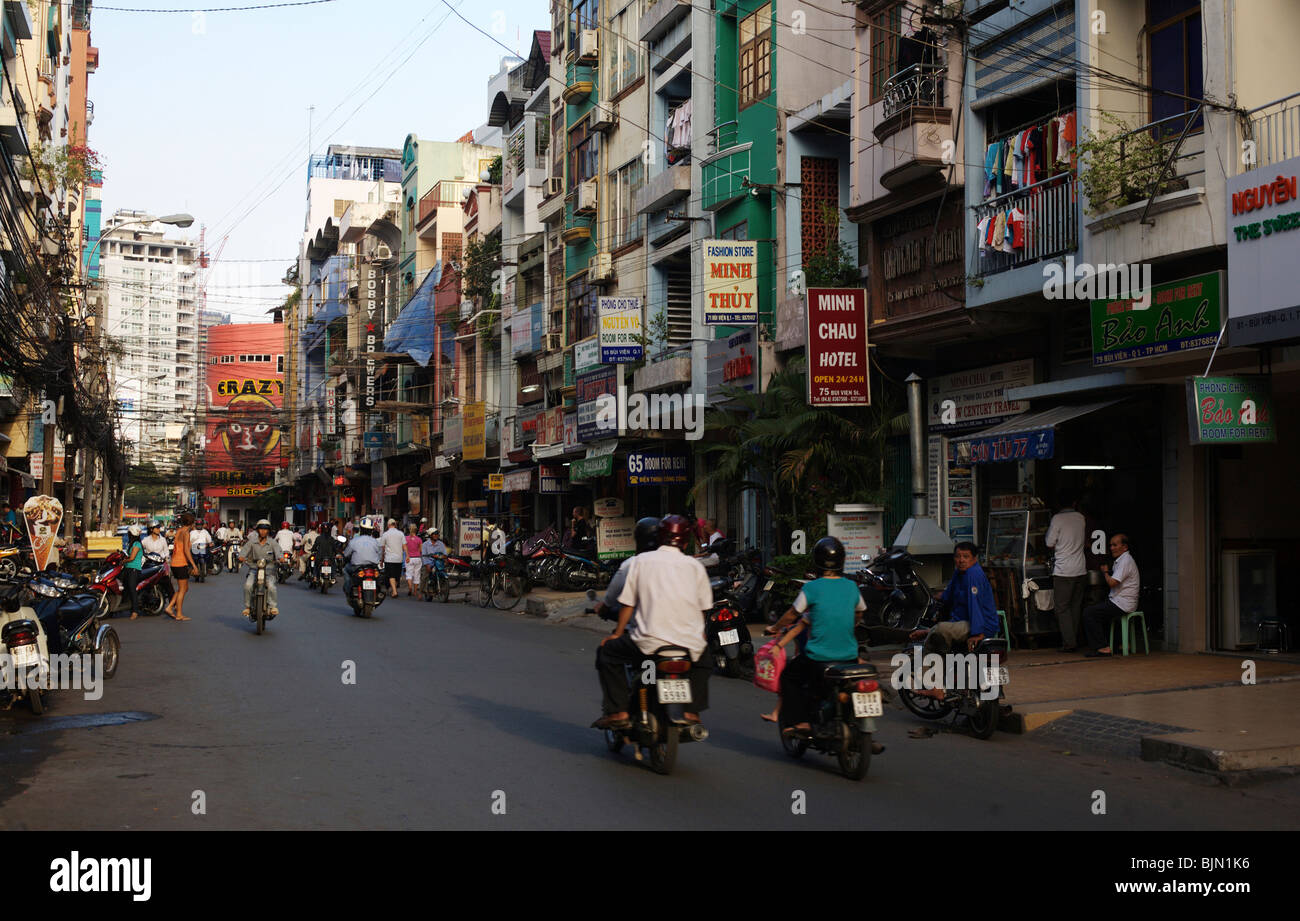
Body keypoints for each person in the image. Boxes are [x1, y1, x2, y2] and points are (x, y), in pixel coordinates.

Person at [593, 514, 713, 729]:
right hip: (688, 644)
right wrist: (700, 633)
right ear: (686, 542)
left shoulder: (639, 562)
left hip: (648, 641)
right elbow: (703, 607)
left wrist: (618, 633)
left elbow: (627, 603)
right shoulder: (695, 566)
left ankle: (619, 712)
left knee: (608, 652)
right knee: (704, 661)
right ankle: (692, 711)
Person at [770, 537, 883, 755]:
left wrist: (775, 628)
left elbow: (793, 614)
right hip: (849, 656)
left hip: (818, 658)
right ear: (842, 561)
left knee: (789, 678)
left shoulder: (812, 588)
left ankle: (801, 722)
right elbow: (859, 613)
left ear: (817, 562)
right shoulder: (851, 587)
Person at [909, 541, 1000, 698]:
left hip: (980, 625)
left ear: (974, 559)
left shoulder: (973, 575)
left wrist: (978, 632)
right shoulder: (959, 574)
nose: (961, 560)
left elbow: (975, 605)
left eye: (966, 556)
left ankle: (935, 686)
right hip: (965, 623)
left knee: (939, 634)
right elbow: (947, 596)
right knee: (939, 631)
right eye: (958, 556)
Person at [592, 517, 661, 620]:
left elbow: (612, 599)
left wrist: (603, 608)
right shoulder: (682, 563)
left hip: (643, 630)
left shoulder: (631, 564)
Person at [1084, 533, 1140, 657]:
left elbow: (1112, 583)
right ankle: (1119, 644)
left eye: (1115, 545)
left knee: (1089, 613)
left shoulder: (1126, 560)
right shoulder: (1121, 560)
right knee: (1100, 609)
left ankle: (1102, 647)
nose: (1112, 548)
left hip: (1123, 603)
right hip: (1121, 601)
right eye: (1111, 545)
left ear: (1124, 547)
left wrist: (1105, 573)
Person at [1046, 488, 1088, 652]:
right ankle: (1074, 639)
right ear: (1074, 503)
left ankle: (1070, 643)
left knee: (1062, 608)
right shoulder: (1080, 517)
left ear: (1058, 504)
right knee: (1075, 606)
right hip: (1080, 568)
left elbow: (1049, 542)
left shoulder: (1057, 519)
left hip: (1064, 571)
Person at [238, 519, 279, 619]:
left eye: (265, 530)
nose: (263, 531)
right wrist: (241, 557)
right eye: (261, 529)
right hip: (254, 569)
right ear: (257, 530)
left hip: (269, 570)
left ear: (268, 531)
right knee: (248, 585)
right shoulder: (251, 542)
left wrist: (281, 558)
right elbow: (243, 552)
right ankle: (248, 607)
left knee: (271, 586)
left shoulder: (273, 543)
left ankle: (273, 606)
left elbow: (279, 553)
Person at [165, 513, 197, 622]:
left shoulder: (179, 531)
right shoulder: (186, 533)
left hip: (174, 562)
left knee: (184, 588)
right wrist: (193, 564)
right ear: (191, 523)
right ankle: (178, 613)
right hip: (180, 562)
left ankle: (170, 607)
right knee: (183, 589)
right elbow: (186, 551)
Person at [342, 516, 383, 598]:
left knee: (345, 569)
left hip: (357, 567)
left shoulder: (354, 541)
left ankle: (347, 588)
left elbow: (346, 554)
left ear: (360, 529)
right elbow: (379, 555)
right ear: (371, 530)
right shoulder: (375, 542)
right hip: (373, 567)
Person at [141, 521, 175, 609]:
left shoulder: (163, 540)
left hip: (161, 565)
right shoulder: (145, 540)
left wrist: (165, 560)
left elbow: (166, 553)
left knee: (168, 585)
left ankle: (174, 604)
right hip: (149, 566)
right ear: (151, 529)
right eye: (157, 528)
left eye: (159, 527)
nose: (159, 529)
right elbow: (139, 550)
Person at [123, 524, 146, 620]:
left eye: (129, 533)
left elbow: (132, 558)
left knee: (132, 590)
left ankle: (135, 611)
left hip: (134, 569)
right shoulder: (130, 544)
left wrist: (123, 560)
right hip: (128, 569)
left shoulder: (137, 544)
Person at [420, 528, 448, 601]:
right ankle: (422, 591)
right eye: (434, 534)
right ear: (430, 535)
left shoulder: (441, 544)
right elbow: (424, 556)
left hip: (439, 563)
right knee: (425, 575)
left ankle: (443, 590)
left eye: (437, 534)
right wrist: (427, 565)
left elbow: (445, 554)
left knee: (444, 572)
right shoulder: (425, 544)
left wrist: (445, 559)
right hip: (429, 562)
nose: (436, 536)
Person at [380, 518, 405, 598]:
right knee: (396, 576)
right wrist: (407, 556)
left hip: (389, 559)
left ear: (388, 525)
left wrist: (382, 559)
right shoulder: (401, 533)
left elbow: (383, 548)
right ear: (395, 525)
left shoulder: (385, 534)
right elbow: (405, 546)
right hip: (399, 559)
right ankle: (394, 591)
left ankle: (394, 591)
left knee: (391, 575)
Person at [403, 524, 423, 597]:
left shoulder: (406, 538)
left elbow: (404, 548)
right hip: (417, 558)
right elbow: (421, 550)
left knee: (409, 574)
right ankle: (415, 591)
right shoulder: (419, 539)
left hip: (409, 558)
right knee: (417, 575)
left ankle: (410, 587)